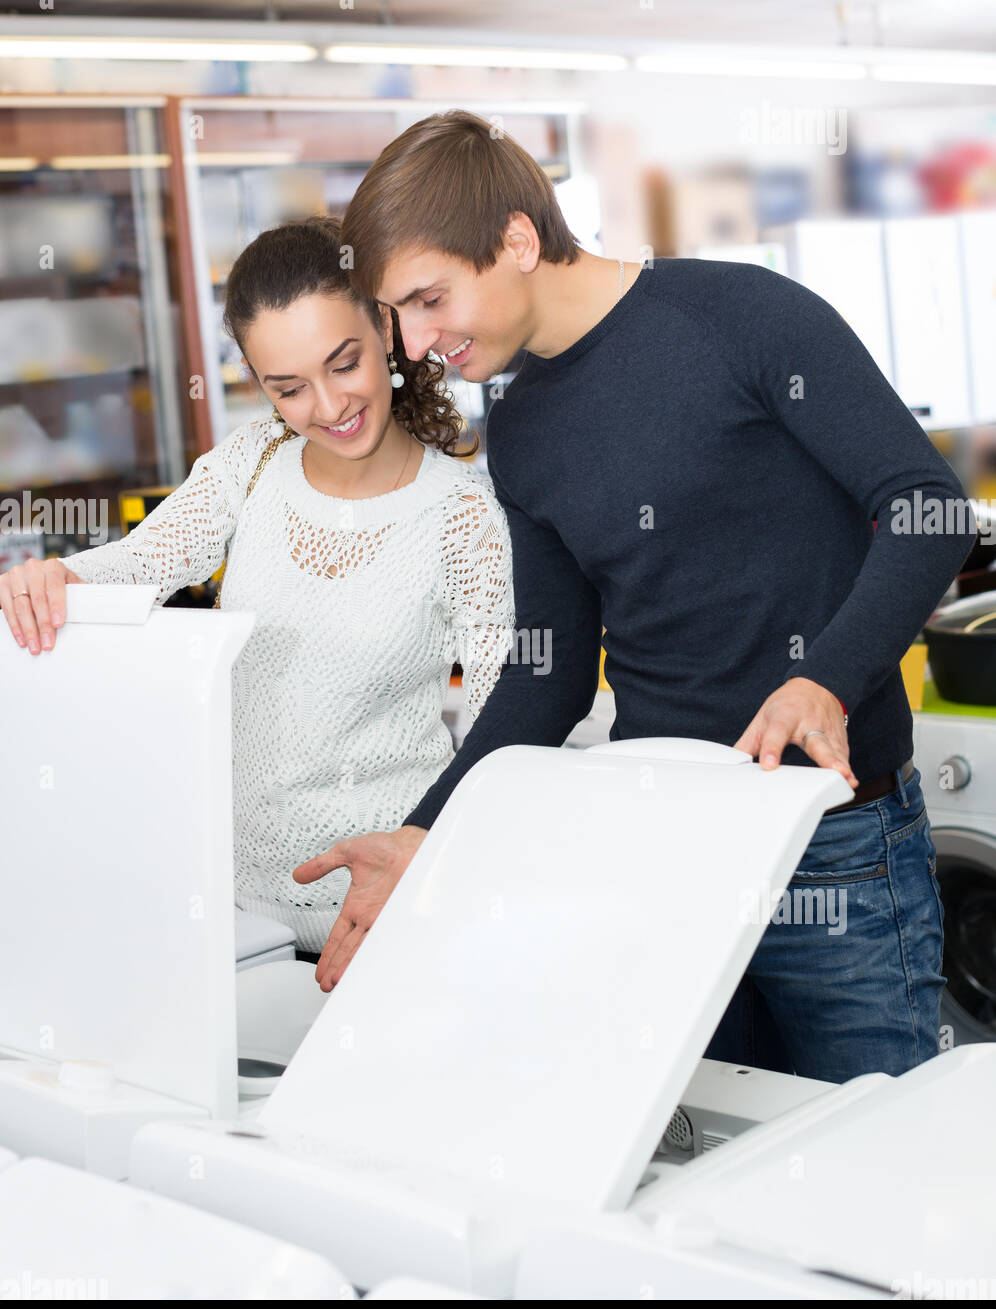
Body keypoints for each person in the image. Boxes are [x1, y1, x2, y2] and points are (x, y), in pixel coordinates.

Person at [299, 112, 974, 1086]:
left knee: (872, 1159)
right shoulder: (521, 428)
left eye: (428, 299)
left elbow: (925, 511)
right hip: (671, 847)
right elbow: (550, 678)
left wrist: (822, 679)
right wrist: (425, 829)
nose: (412, 342)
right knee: (702, 1167)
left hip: (837, 842)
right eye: (395, 314)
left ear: (519, 241)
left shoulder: (742, 318)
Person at [0, 215, 514, 957]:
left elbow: (500, 725)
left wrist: (430, 847)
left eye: (344, 364)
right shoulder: (251, 463)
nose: (329, 408)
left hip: (393, 909)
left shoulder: (462, 514)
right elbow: (142, 563)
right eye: (290, 388)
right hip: (237, 911)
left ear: (384, 327)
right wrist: (57, 575)